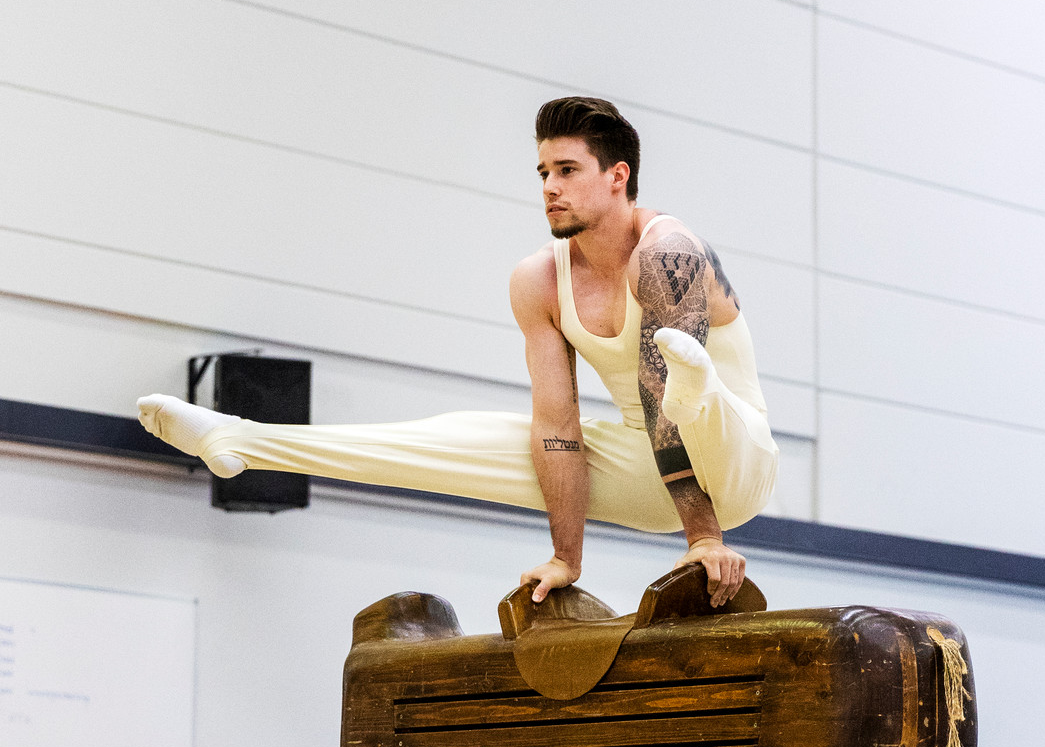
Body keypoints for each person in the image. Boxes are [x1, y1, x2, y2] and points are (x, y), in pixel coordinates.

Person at [137, 96, 778, 606]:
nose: (550, 187)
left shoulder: (669, 252)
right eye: (544, 173)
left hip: (735, 463)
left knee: (683, 392)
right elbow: (557, 425)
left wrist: (704, 542)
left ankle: (692, 383)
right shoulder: (537, 281)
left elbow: (664, 411)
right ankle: (243, 439)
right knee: (474, 435)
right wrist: (567, 558)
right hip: (649, 473)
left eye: (568, 170)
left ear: (618, 177)